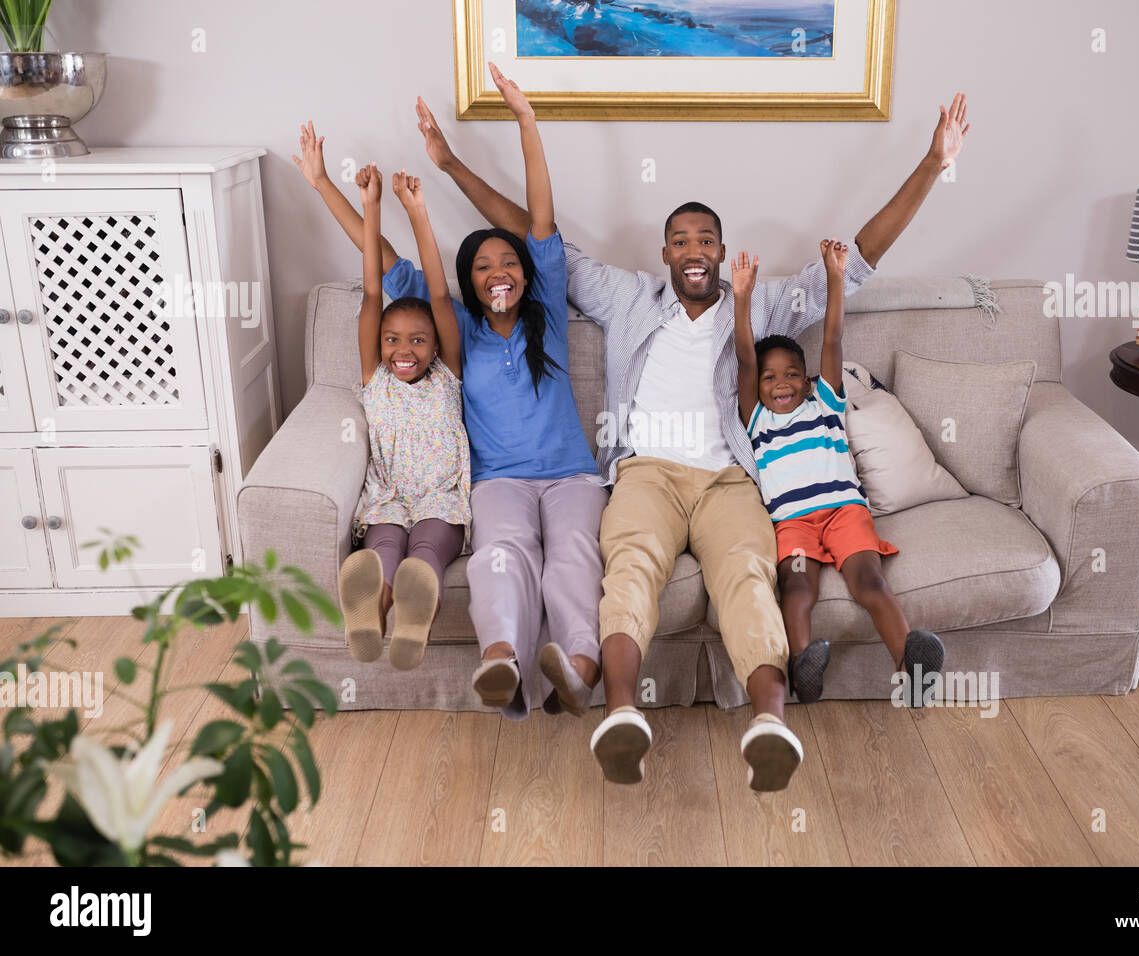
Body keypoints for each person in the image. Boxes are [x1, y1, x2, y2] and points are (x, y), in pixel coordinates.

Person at [414, 85, 970, 789]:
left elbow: (856, 263)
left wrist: (931, 162)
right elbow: (534, 233)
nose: (694, 251)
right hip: (644, 472)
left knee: (745, 576)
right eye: (680, 241)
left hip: (729, 479)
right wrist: (450, 164)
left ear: (723, 250)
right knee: (632, 570)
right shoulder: (625, 296)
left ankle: (768, 722)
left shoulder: (759, 299)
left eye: (706, 239)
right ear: (666, 254)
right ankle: (622, 716)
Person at [294, 63, 607, 718]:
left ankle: (577, 668)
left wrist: (526, 120)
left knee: (573, 555)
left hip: (574, 476)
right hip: (494, 483)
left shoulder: (546, 308)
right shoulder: (451, 332)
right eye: (484, 266)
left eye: (509, 262)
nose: (499, 273)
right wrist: (324, 185)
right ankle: (502, 662)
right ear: (468, 282)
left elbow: (540, 215)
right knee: (500, 554)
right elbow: (378, 256)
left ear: (528, 274)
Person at [732, 242, 945, 704]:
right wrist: (742, 298)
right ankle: (803, 669)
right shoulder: (757, 420)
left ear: (808, 381)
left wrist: (836, 277)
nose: (781, 383)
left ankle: (910, 668)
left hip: (845, 512)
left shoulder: (824, 404)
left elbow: (832, 340)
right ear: (757, 389)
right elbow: (746, 359)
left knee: (869, 583)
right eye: (770, 379)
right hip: (793, 524)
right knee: (798, 587)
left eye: (791, 374)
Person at [335, 162, 470, 672]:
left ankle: (414, 605)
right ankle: (372, 609)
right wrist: (371, 209)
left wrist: (418, 214)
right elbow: (373, 294)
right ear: (380, 345)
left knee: (429, 549)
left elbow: (438, 294)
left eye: (418, 339)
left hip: (441, 496)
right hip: (388, 496)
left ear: (436, 343)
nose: (404, 350)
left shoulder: (447, 374)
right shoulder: (376, 380)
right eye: (392, 340)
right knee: (383, 547)